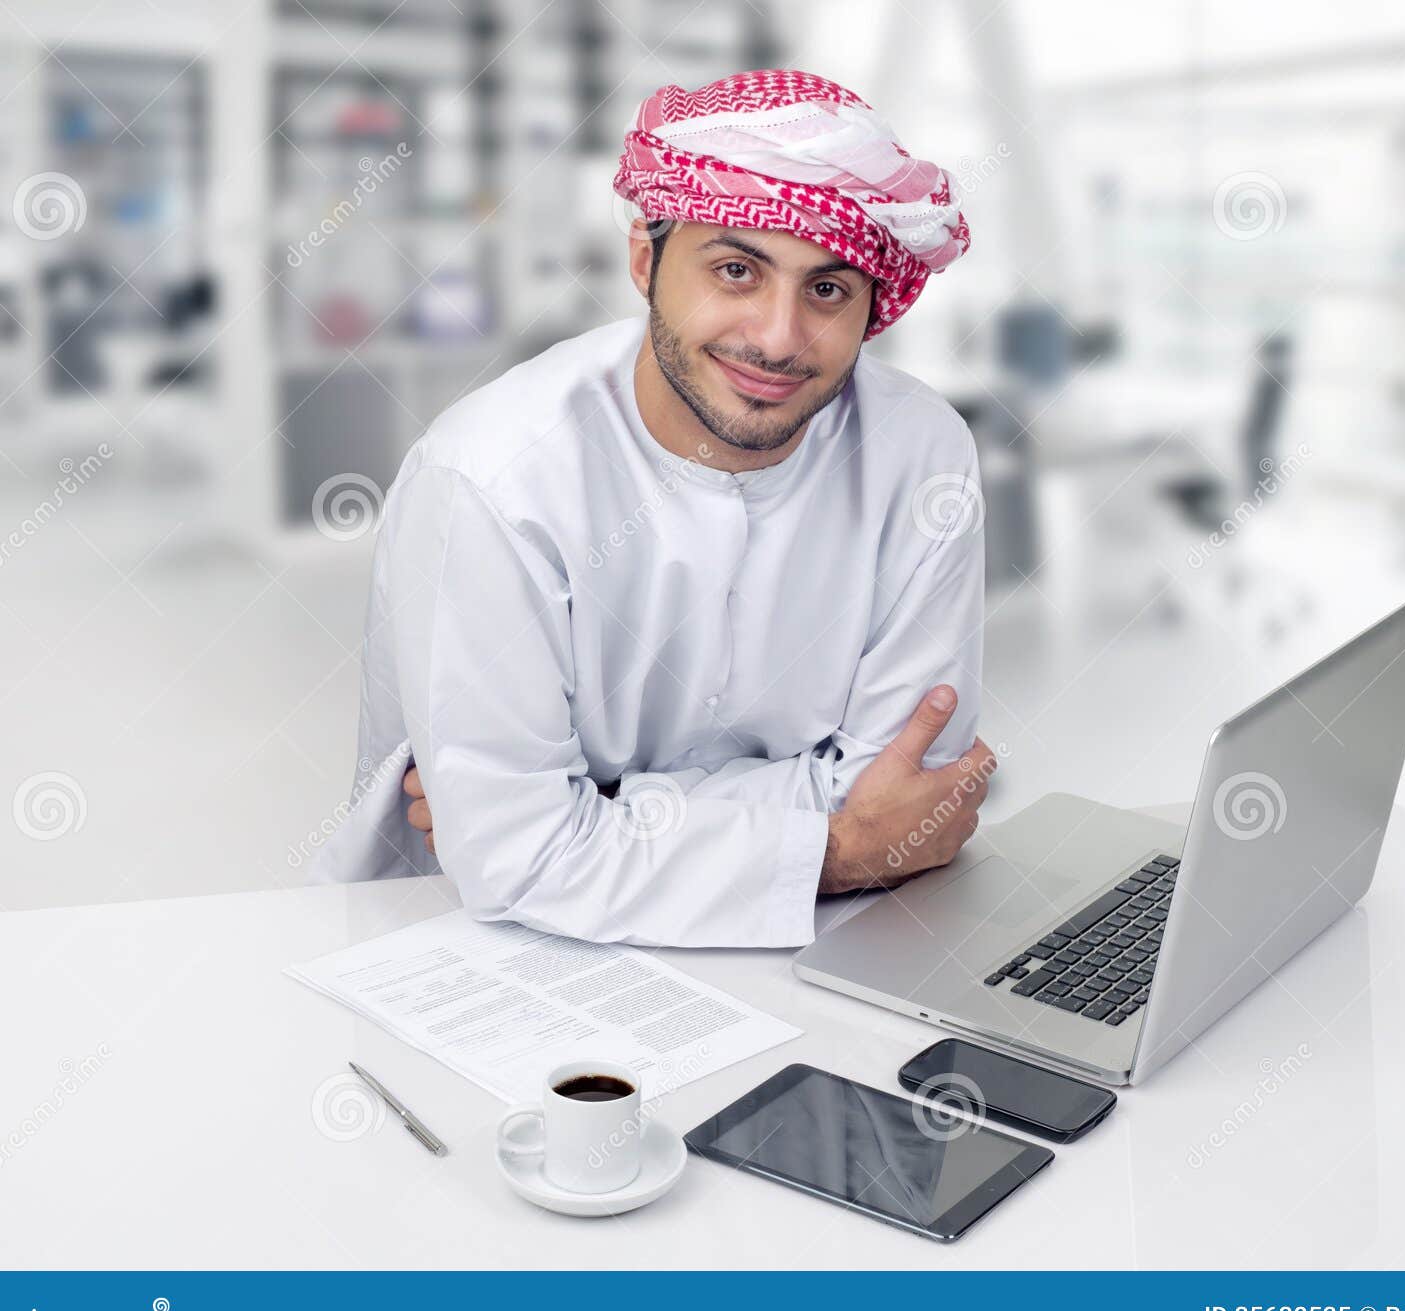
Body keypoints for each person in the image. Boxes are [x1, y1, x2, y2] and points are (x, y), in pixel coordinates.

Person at [310, 69, 997, 947]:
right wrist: (834, 845)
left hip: (830, 944)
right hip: (479, 944)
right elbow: (513, 865)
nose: (778, 338)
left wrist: (588, 815)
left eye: (826, 290)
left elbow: (908, 792)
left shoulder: (922, 455)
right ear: (646, 259)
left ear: (870, 307)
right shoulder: (491, 478)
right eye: (736, 269)